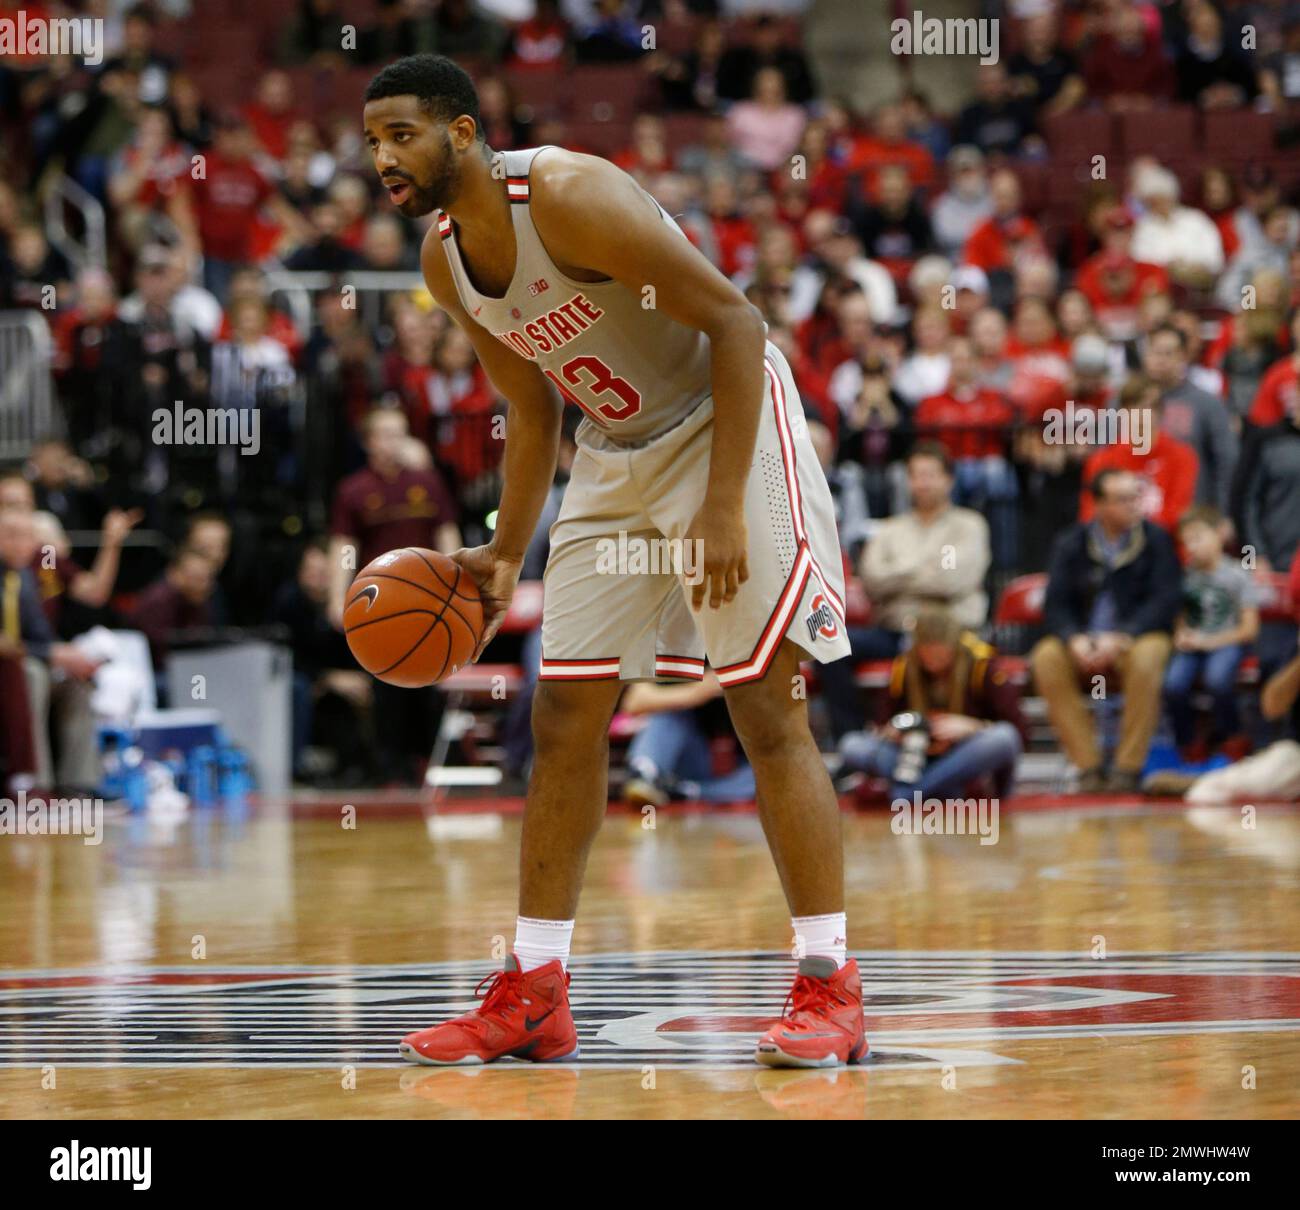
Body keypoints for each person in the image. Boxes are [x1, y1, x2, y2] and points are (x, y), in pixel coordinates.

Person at [363, 54, 864, 1068]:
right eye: (372, 140)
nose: (382, 157)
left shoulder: (569, 194)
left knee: (766, 705)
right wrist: (506, 554)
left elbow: (736, 319)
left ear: (462, 131)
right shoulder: (443, 260)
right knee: (563, 714)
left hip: (722, 420)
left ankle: (830, 984)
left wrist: (720, 507)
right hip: (612, 447)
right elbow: (530, 402)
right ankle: (536, 989)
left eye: (402, 133)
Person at [819, 442, 991, 741]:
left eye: (930, 475)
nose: (922, 483)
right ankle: (854, 741)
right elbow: (872, 580)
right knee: (831, 646)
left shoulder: (968, 525)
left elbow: (953, 580)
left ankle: (970, 741)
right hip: (895, 631)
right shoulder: (889, 530)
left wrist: (899, 575)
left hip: (953, 632)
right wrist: (928, 568)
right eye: (916, 475)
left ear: (949, 479)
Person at [1031, 469, 1182, 793]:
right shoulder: (1070, 542)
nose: (1133, 506)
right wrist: (1074, 638)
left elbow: (1166, 600)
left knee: (1149, 656)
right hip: (1085, 642)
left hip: (1135, 639)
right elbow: (1055, 604)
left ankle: (1127, 768)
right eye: (1123, 499)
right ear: (1099, 504)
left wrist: (1124, 635)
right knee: (1045, 656)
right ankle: (1088, 767)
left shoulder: (1156, 540)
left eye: (1135, 498)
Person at [838, 607, 1025, 800]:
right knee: (852, 745)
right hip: (913, 756)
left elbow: (1018, 730)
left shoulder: (981, 666)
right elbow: (881, 725)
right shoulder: (904, 667)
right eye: (928, 656)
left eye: (941, 656)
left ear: (954, 646)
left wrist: (972, 727)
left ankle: (911, 792)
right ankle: (938, 789)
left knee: (1003, 738)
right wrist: (898, 733)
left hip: (962, 755)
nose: (934, 663)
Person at [1163, 506, 1260, 757]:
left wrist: (1212, 641)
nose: (1192, 547)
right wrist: (1181, 634)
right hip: (1194, 644)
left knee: (1218, 679)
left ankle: (1233, 734)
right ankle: (1187, 740)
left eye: (1198, 538)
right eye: (1187, 542)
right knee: (1173, 683)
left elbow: (1249, 629)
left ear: (1220, 534)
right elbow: (1181, 615)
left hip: (1227, 641)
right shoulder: (1184, 575)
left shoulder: (1238, 575)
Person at [621, 671, 757, 808]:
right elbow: (633, 701)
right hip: (690, 756)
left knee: (768, 776)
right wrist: (698, 692)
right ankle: (644, 773)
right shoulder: (681, 654)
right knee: (667, 715)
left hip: (740, 765)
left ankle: (681, 791)